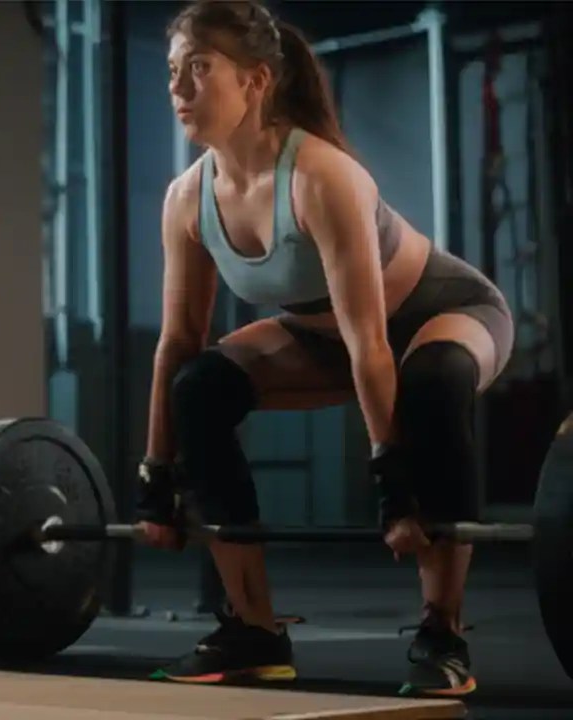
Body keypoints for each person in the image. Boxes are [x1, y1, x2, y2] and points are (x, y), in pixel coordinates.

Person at [133, 0, 513, 698]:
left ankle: (442, 632)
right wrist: (158, 477)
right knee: (200, 387)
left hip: (442, 316)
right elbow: (178, 342)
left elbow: (372, 341)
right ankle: (254, 631)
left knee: (433, 383)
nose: (178, 88)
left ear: (255, 80)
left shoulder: (320, 175)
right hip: (329, 338)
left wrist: (395, 486)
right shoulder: (188, 199)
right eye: (172, 71)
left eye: (199, 68)